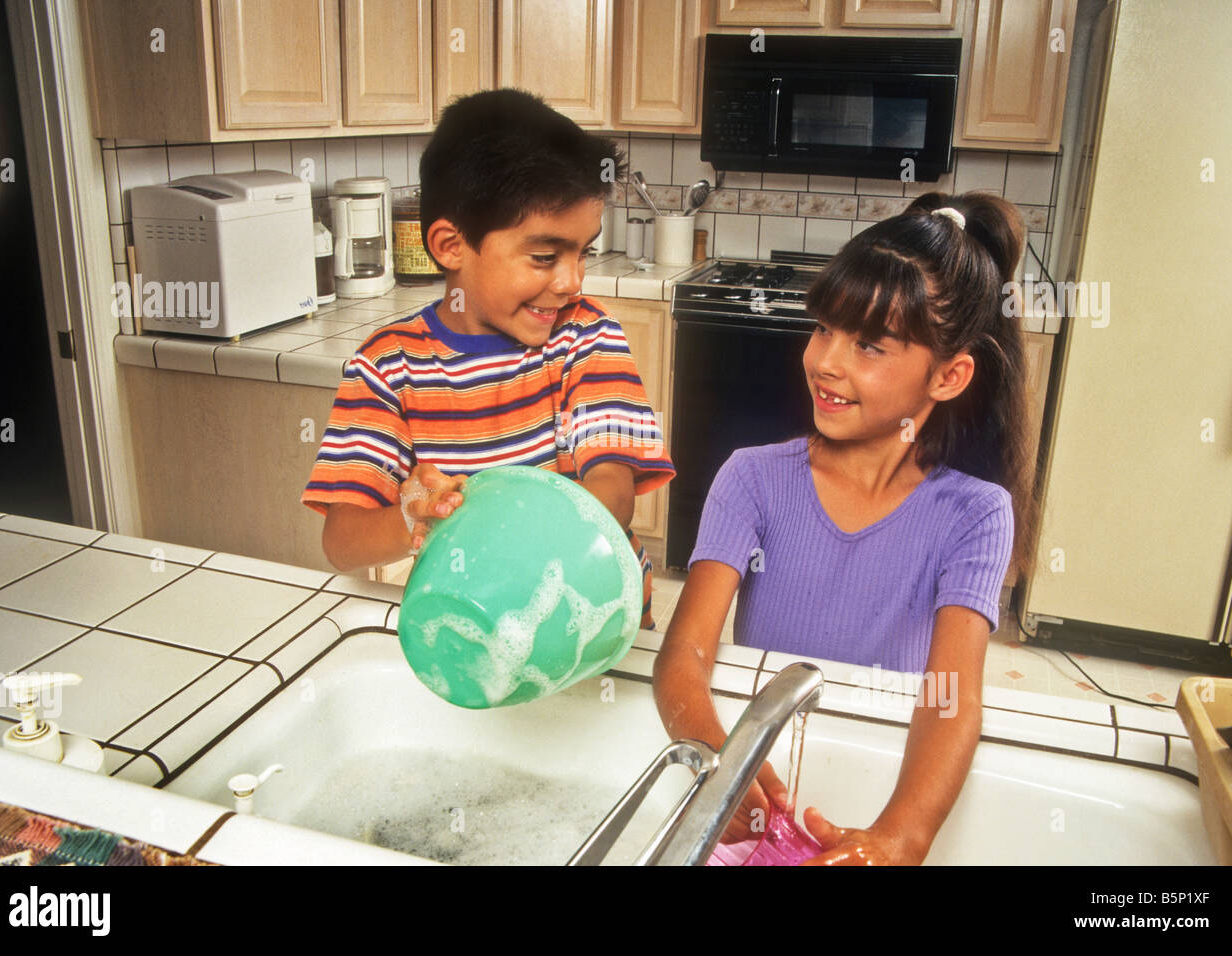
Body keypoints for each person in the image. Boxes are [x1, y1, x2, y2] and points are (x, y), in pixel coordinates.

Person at [652, 192, 1039, 864]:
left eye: (868, 345)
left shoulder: (976, 515)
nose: (827, 361)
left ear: (949, 375)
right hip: (763, 796)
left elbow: (952, 700)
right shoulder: (751, 479)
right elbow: (682, 659)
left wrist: (900, 836)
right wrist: (719, 756)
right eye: (824, 328)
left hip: (873, 792)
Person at [302, 89, 674, 627]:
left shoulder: (586, 336)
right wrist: (413, 516)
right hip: (479, 629)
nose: (572, 280)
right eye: (545, 256)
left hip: (595, 618)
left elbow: (611, 492)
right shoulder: (388, 368)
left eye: (583, 251)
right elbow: (342, 542)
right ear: (451, 246)